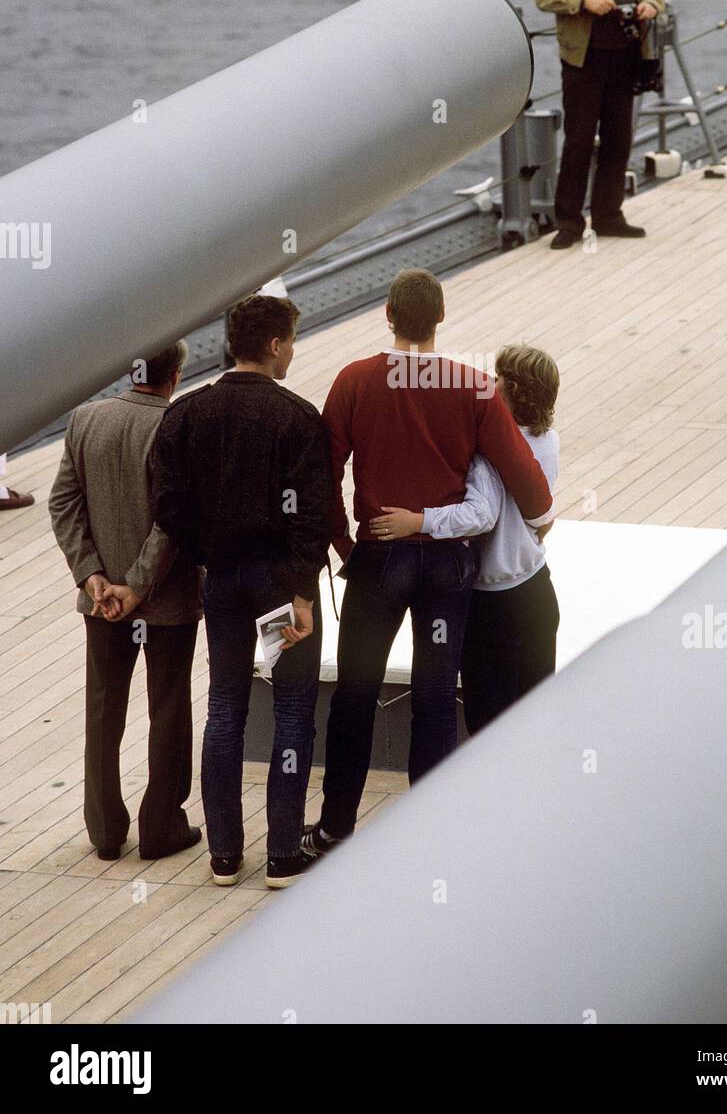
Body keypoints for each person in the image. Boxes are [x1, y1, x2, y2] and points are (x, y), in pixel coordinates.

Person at [301, 269, 554, 860]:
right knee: (437, 696)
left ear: (387, 313)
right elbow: (525, 477)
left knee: (356, 694)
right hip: (447, 569)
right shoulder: (474, 387)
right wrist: (541, 518)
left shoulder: (354, 380)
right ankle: (430, 833)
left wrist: (345, 544)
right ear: (440, 318)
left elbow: (322, 477)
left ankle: (336, 828)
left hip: (380, 562)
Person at [151, 293, 333, 889]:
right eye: (292, 342)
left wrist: (208, 551)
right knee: (290, 707)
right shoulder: (298, 418)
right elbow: (313, 514)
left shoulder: (185, 414)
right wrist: (302, 591)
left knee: (225, 707)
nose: (293, 353)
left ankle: (225, 854)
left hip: (223, 581)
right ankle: (283, 852)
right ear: (276, 345)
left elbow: (168, 503)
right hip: (283, 587)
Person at [48, 342, 202, 862]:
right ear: (176, 373)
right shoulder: (176, 426)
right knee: (168, 708)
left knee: (103, 708)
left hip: (101, 604)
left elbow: (63, 503)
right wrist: (136, 584)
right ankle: (161, 826)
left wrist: (92, 575)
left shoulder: (86, 419)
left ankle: (105, 831)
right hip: (167, 600)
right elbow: (171, 520)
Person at [369, 344, 561, 734]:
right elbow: (535, 509)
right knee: (536, 721)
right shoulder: (550, 439)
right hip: (538, 591)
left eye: (498, 379)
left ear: (514, 391)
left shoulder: (488, 452)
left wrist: (418, 521)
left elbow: (480, 516)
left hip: (492, 608)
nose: (489, 383)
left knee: (487, 728)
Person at [535, 0, 666, 248]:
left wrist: (651, 5)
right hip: (584, 60)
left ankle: (609, 215)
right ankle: (570, 223)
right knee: (578, 140)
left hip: (626, 56)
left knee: (618, 139)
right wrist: (582, 2)